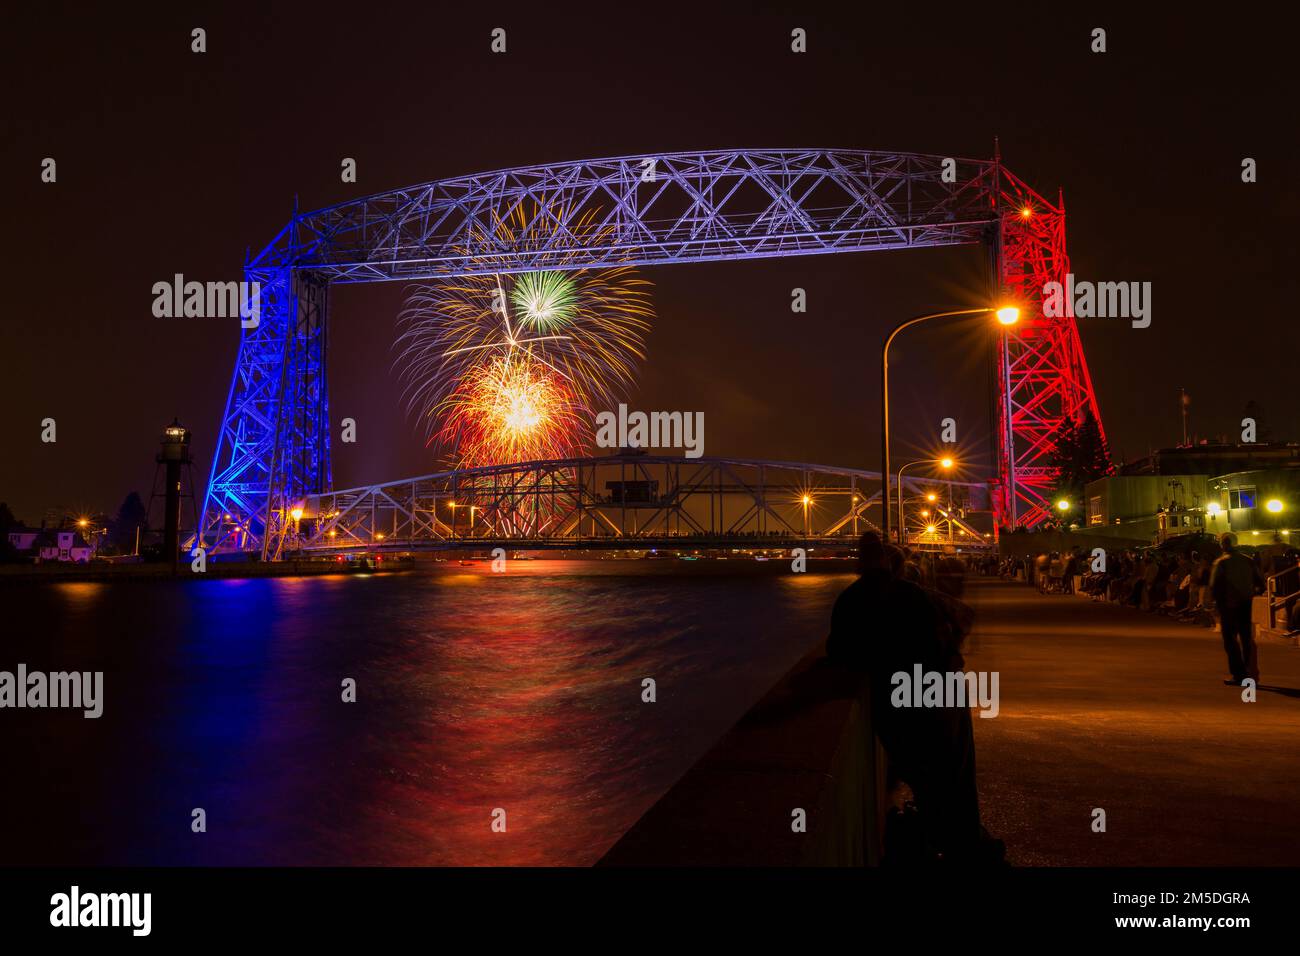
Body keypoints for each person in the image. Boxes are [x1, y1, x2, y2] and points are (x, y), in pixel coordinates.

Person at [826, 532, 996, 863]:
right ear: (897, 565)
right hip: (941, 690)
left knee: (925, 776)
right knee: (955, 774)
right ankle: (965, 846)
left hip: (899, 701)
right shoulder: (915, 593)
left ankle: (945, 845)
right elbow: (964, 616)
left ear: (861, 564)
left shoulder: (852, 599)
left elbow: (839, 653)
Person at [1209, 532, 1264, 685]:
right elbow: (1260, 583)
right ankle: (1250, 672)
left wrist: (1215, 604)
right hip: (1245, 604)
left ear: (1223, 544)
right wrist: (1249, 592)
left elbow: (1215, 586)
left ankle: (1238, 674)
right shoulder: (1248, 560)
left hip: (1228, 605)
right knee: (1246, 638)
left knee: (1230, 641)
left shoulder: (1221, 562)